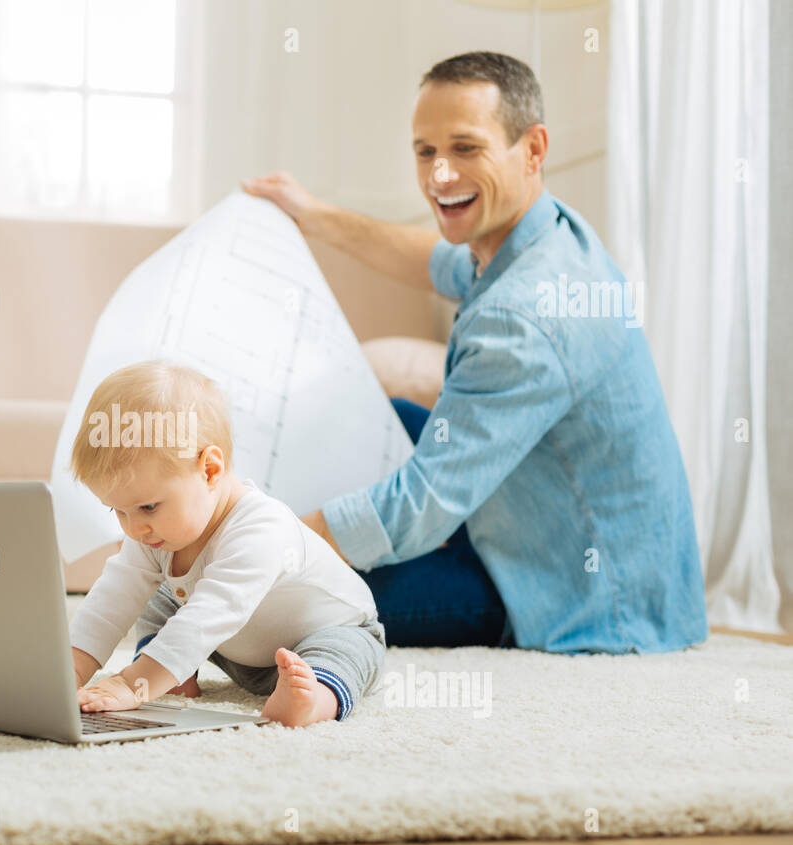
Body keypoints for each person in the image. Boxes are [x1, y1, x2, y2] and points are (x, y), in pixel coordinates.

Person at [243, 50, 707, 654]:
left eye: (465, 148)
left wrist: (250, 552)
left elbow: (423, 502)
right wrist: (314, 215)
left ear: (533, 149)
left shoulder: (525, 315)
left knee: (278, 608)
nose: (439, 174)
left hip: (576, 590)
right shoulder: (536, 236)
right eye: (425, 151)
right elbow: (424, 256)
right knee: (374, 415)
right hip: (518, 512)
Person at [66, 360, 386, 726]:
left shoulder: (261, 529)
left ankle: (313, 702)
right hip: (232, 648)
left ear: (209, 470)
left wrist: (132, 683)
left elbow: (209, 616)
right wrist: (67, 670)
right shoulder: (154, 532)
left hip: (327, 635)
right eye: (118, 512)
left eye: (147, 506)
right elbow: (113, 598)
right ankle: (172, 673)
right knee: (157, 594)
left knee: (343, 656)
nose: (135, 527)